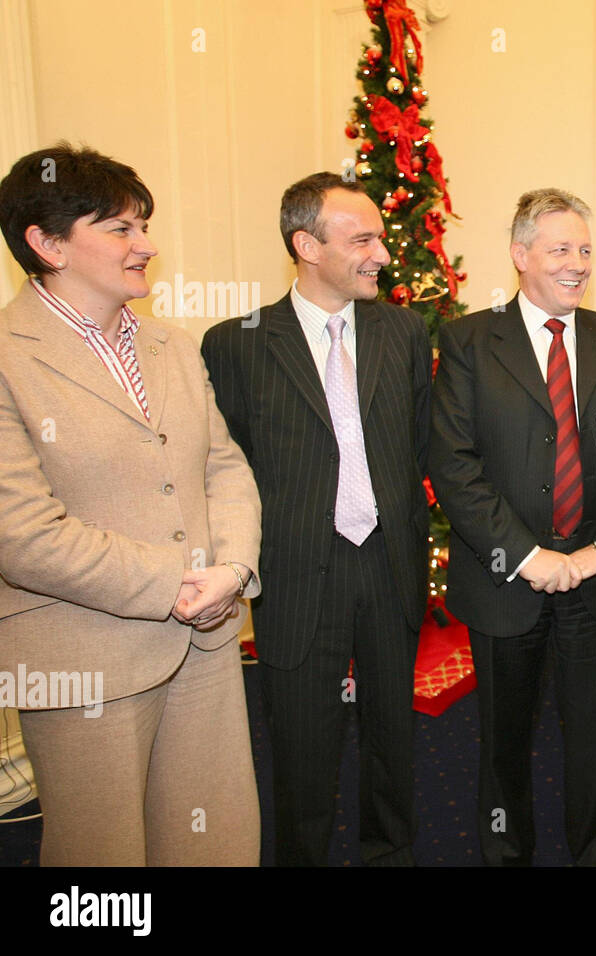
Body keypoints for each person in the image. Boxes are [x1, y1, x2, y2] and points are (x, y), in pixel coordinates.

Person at [0, 144, 261, 865]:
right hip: (81, 656)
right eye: (120, 228)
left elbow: (224, 467)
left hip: (204, 642)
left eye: (142, 224)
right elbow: (22, 533)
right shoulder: (7, 355)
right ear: (46, 243)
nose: (147, 244)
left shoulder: (172, 345)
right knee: (100, 861)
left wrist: (233, 570)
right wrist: (176, 583)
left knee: (213, 840)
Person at [202, 172, 432, 866]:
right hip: (298, 573)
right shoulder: (236, 342)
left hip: (389, 562)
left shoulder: (403, 330)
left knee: (393, 734)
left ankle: (388, 851)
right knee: (302, 743)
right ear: (306, 244)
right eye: (361, 239)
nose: (382, 254)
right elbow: (223, 466)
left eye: (380, 238)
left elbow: (420, 441)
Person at [429, 188, 596, 866]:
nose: (577, 264)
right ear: (520, 254)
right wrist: (526, 555)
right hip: (505, 582)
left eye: (585, 250)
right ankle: (506, 854)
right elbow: (454, 463)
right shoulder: (470, 339)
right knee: (503, 739)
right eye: (561, 249)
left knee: (595, 737)